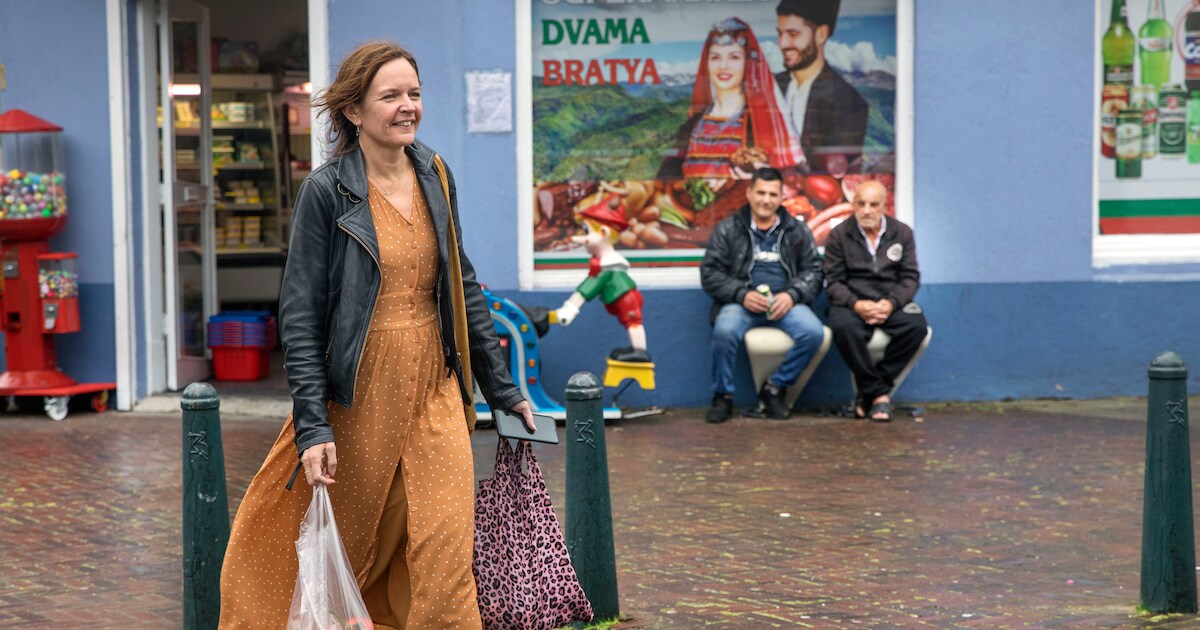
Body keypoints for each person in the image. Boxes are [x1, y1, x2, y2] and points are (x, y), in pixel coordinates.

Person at [218, 41, 534, 630]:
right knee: (350, 546)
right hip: (360, 393)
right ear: (354, 111)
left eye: (414, 93)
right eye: (390, 96)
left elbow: (461, 282)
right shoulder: (326, 191)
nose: (408, 106)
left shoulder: (435, 173)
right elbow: (301, 315)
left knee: (445, 547)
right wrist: (313, 427)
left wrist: (501, 387)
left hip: (435, 386)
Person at [700, 167, 824, 422]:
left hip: (785, 305)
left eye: (773, 194)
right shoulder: (729, 228)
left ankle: (775, 388)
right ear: (749, 193)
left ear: (781, 197)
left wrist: (791, 295)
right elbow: (710, 272)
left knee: (813, 333)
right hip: (742, 304)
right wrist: (741, 294)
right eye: (761, 193)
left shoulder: (797, 230)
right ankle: (722, 396)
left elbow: (814, 270)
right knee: (724, 331)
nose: (766, 200)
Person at [658, 17, 803, 201]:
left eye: (734, 57)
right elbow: (665, 180)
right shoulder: (693, 125)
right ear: (706, 63)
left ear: (747, 63)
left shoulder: (761, 124)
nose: (723, 66)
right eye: (715, 57)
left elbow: (787, 180)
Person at [823, 180, 927, 423]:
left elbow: (910, 277)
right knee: (843, 327)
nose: (867, 210)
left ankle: (868, 394)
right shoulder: (839, 235)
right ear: (853, 205)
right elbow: (833, 282)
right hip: (853, 302)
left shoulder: (902, 233)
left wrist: (891, 303)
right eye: (861, 204)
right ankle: (879, 396)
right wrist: (856, 304)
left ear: (885, 206)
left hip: (890, 301)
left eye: (873, 204)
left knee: (916, 327)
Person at [774, 0, 868, 176]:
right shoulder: (769, 88)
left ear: (821, 35)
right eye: (780, 34)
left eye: (793, 34)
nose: (783, 43)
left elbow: (837, 171)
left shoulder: (848, 102)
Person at [553, 193, 651, 362]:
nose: (583, 237)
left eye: (586, 231)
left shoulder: (608, 266)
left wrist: (570, 309)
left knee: (633, 322)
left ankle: (640, 351)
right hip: (622, 298)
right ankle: (635, 348)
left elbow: (590, 287)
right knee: (629, 322)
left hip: (627, 299)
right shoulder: (605, 263)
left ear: (604, 233)